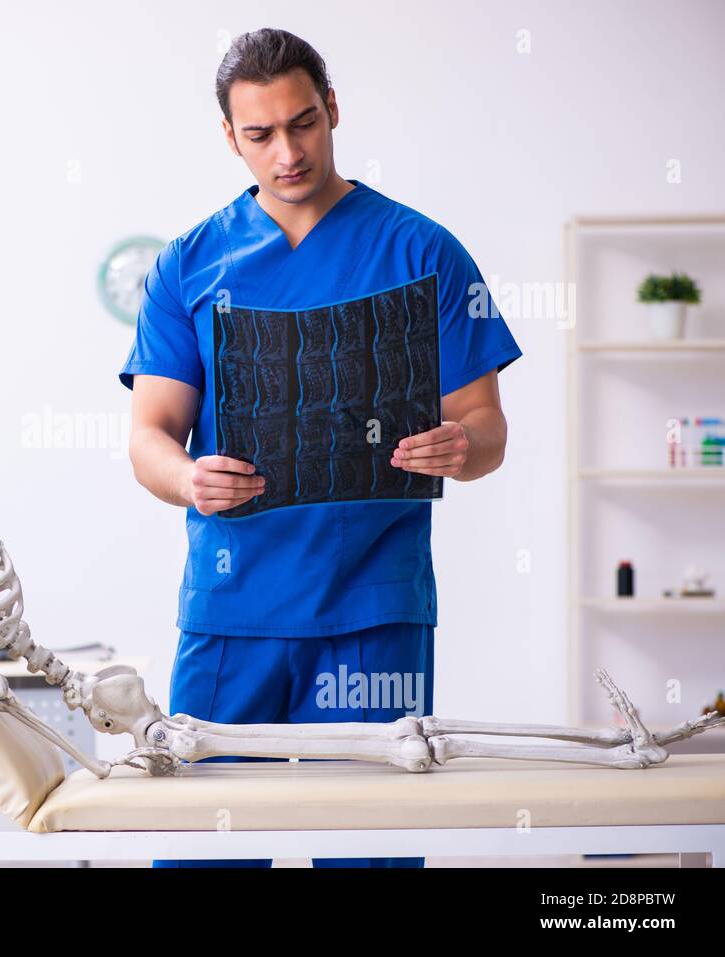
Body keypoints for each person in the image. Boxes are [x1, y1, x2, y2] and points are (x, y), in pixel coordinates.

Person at [118, 27, 522, 868]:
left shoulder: (424, 252)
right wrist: (189, 476)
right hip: (235, 611)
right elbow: (148, 438)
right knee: (205, 851)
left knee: (369, 852)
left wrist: (461, 445)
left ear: (332, 109)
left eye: (303, 124)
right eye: (260, 135)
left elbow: (488, 428)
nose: (287, 152)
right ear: (230, 136)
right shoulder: (188, 264)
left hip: (373, 611)